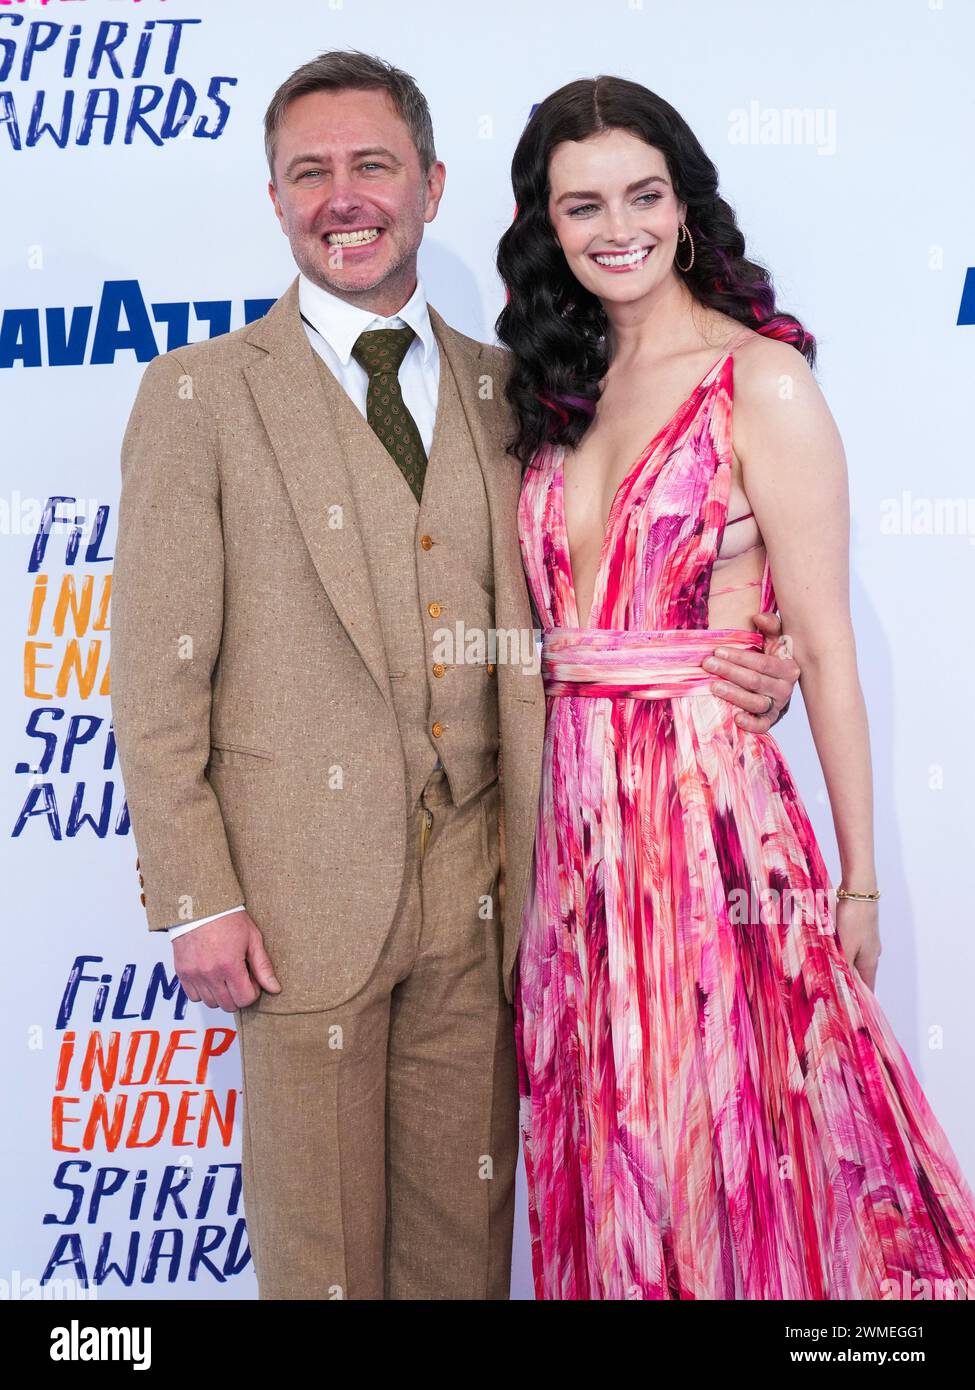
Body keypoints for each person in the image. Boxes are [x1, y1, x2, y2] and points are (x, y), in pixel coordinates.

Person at [110, 52, 800, 1301]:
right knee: (322, 1265)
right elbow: (157, 677)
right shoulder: (200, 393)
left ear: (429, 186)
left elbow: (618, 581)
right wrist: (194, 898)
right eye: (309, 172)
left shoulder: (514, 390)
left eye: (372, 165)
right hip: (295, 909)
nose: (343, 196)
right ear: (273, 198)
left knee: (463, 1256)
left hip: (493, 903)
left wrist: (765, 647)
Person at [497, 75, 975, 1301]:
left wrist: (857, 880)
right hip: (573, 847)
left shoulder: (760, 379)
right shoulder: (552, 390)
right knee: (608, 1150)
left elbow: (820, 650)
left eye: (643, 194)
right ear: (546, 226)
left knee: (733, 1149)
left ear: (687, 203)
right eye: (582, 204)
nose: (618, 228)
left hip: (713, 834)